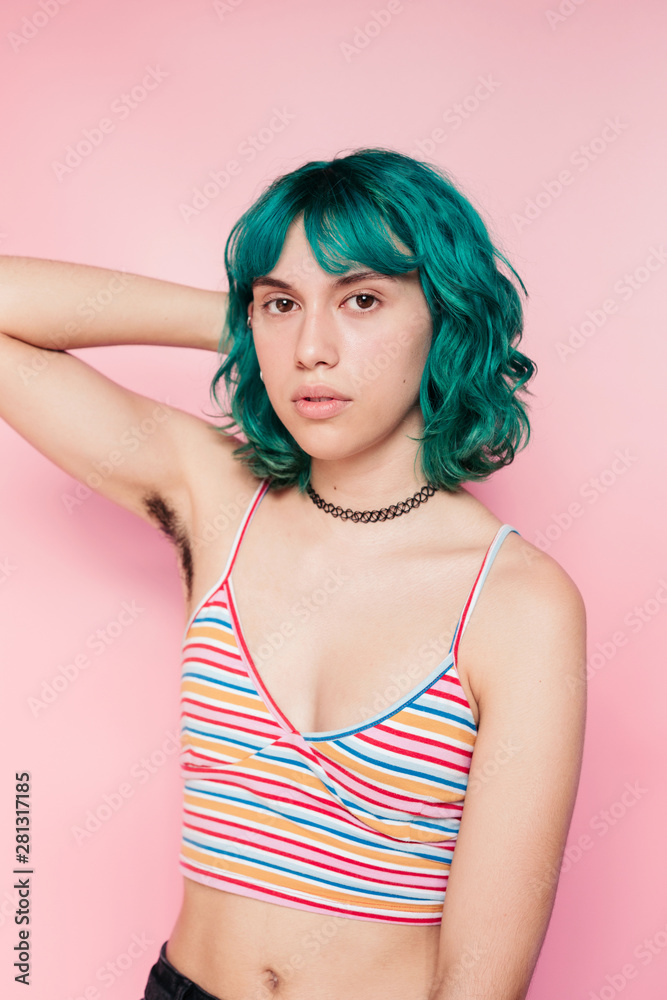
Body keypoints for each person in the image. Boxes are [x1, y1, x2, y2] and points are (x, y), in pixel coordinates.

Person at [0, 148, 586, 1000]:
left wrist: (280, 314)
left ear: (446, 320)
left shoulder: (517, 603)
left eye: (361, 300)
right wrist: (244, 322)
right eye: (282, 302)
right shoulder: (216, 498)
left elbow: (481, 980)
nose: (312, 348)